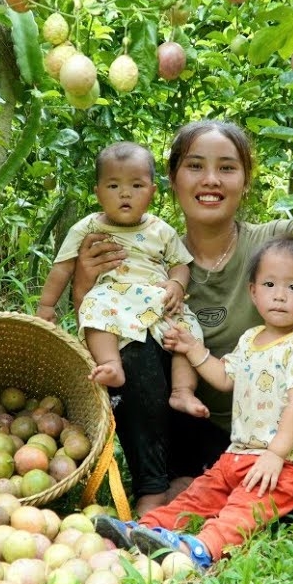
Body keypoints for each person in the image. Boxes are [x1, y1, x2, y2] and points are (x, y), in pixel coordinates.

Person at [73, 106, 293, 513]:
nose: (211, 180)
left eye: (227, 168)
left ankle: (203, 482)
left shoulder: (274, 247)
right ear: (172, 180)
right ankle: (159, 481)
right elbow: (97, 323)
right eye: (196, 166)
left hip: (256, 432)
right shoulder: (147, 254)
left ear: (246, 182)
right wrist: (82, 281)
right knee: (132, 346)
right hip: (174, 425)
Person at [92, 235, 293, 568]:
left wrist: (276, 454)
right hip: (238, 455)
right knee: (199, 494)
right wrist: (194, 350)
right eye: (270, 284)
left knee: (244, 507)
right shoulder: (250, 339)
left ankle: (201, 549)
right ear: (253, 291)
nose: (279, 295)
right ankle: (144, 530)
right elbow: (223, 377)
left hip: (286, 463)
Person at [36, 141, 211, 405]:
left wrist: (176, 283)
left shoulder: (160, 229)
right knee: (95, 309)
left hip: (157, 298)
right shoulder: (87, 228)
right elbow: (63, 267)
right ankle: (111, 364)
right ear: (98, 193)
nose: (125, 194)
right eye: (114, 186)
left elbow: (180, 263)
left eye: (136, 186)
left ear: (152, 192)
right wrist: (46, 305)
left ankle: (182, 391)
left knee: (187, 330)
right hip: (113, 296)